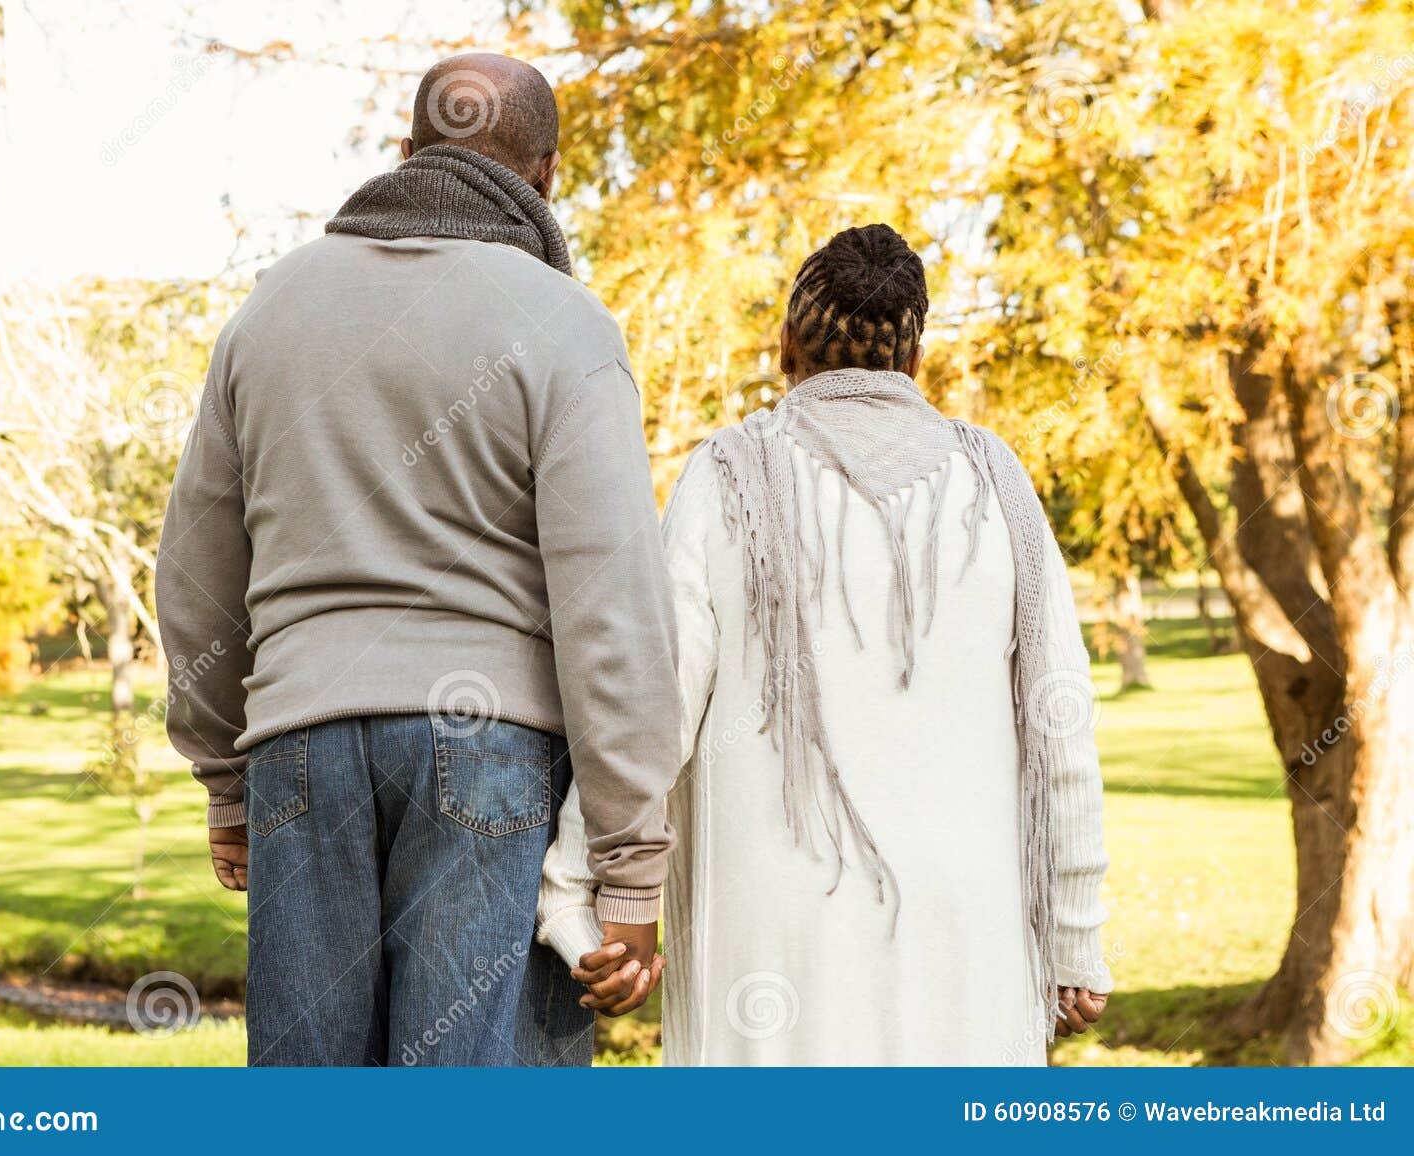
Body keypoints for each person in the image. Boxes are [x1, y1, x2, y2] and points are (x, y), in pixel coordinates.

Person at [156, 52, 681, 1066]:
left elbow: (193, 573)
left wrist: (226, 777)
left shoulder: (270, 309)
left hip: (300, 744)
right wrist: (629, 867)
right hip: (491, 747)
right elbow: (612, 606)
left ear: (405, 152)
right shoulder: (565, 324)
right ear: (548, 176)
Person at [540, 224, 1112, 1064]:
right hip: (968, 936)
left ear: (785, 344)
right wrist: (1075, 938)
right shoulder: (995, 485)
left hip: (769, 940)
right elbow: (1061, 720)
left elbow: (651, 706)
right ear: (915, 357)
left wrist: (572, 892)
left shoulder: (726, 472)